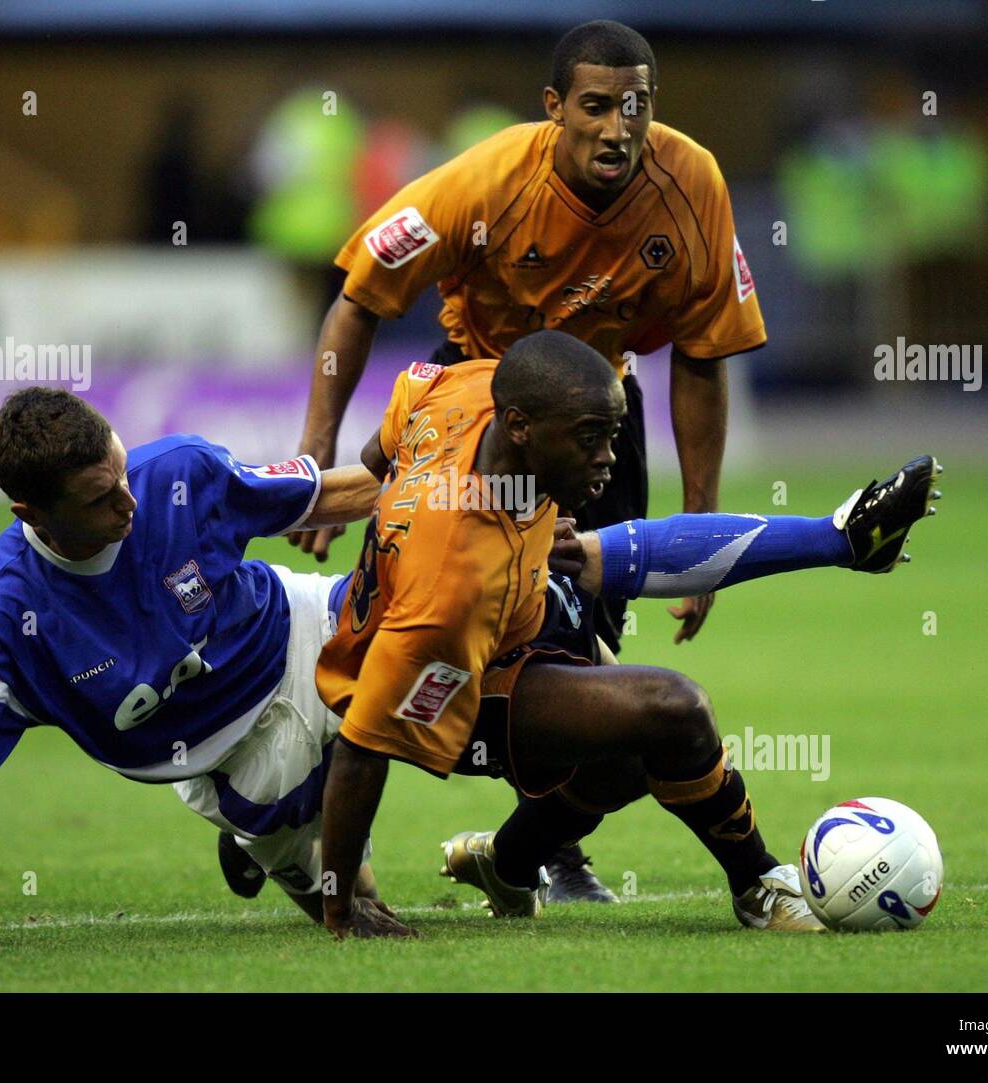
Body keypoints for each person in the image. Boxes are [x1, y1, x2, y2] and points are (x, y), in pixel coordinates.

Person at [293, 19, 766, 900]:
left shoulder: (691, 181)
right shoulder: (485, 181)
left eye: (636, 107)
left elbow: (703, 352)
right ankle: (311, 786)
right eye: (596, 107)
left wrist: (699, 525)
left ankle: (540, 851)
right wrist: (318, 459)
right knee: (432, 622)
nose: (619, 128)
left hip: (597, 432)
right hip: (473, 421)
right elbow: (359, 295)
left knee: (590, 674)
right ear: (555, 109)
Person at [313, 331, 941, 939]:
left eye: (612, 436)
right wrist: (342, 905)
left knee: (621, 733)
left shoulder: (457, 388)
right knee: (672, 713)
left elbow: (380, 461)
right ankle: (758, 885)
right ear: (521, 427)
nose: (609, 459)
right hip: (455, 670)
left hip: (515, 611)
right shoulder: (452, 588)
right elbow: (364, 743)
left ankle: (505, 865)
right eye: (590, 439)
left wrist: (343, 502)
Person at [0, 387, 392, 948]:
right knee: (358, 912)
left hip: (297, 631)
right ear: (34, 515)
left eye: (121, 473)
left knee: (438, 660)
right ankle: (259, 841)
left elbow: (317, 497)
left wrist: (444, 490)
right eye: (99, 499)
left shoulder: (177, 473)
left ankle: (511, 859)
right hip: (229, 762)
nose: (128, 503)